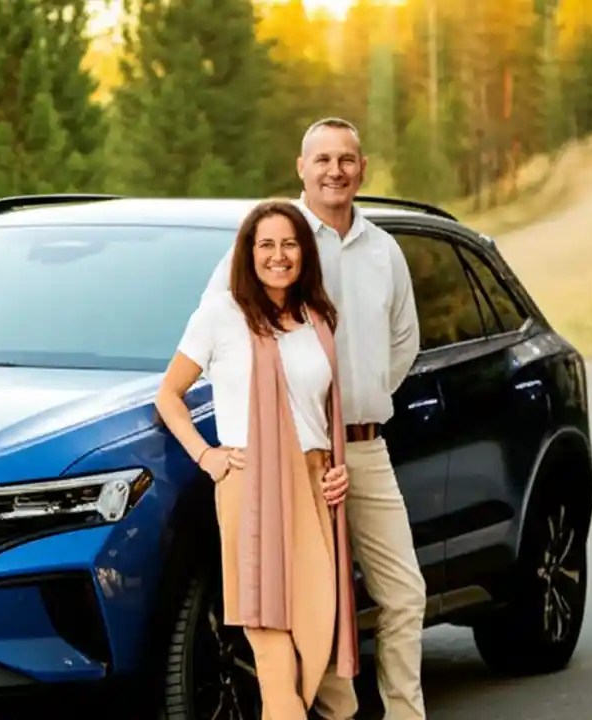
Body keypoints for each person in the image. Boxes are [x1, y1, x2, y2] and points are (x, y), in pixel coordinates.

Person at [201, 118, 426, 720]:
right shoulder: (274, 242)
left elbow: (404, 340)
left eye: (347, 159)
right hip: (292, 457)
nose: (335, 170)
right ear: (301, 167)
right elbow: (218, 334)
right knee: (312, 603)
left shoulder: (384, 251)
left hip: (363, 448)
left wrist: (359, 402)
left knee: (404, 593)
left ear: (363, 167)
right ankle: (337, 712)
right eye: (322, 159)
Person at [156, 200, 360, 719]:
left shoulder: (318, 318)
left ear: (303, 253)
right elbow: (169, 396)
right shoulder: (220, 315)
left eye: (289, 244)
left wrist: (336, 466)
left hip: (314, 482)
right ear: (247, 253)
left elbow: (322, 409)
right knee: (268, 631)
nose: (278, 255)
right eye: (265, 244)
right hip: (250, 483)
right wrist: (207, 456)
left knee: (319, 624)